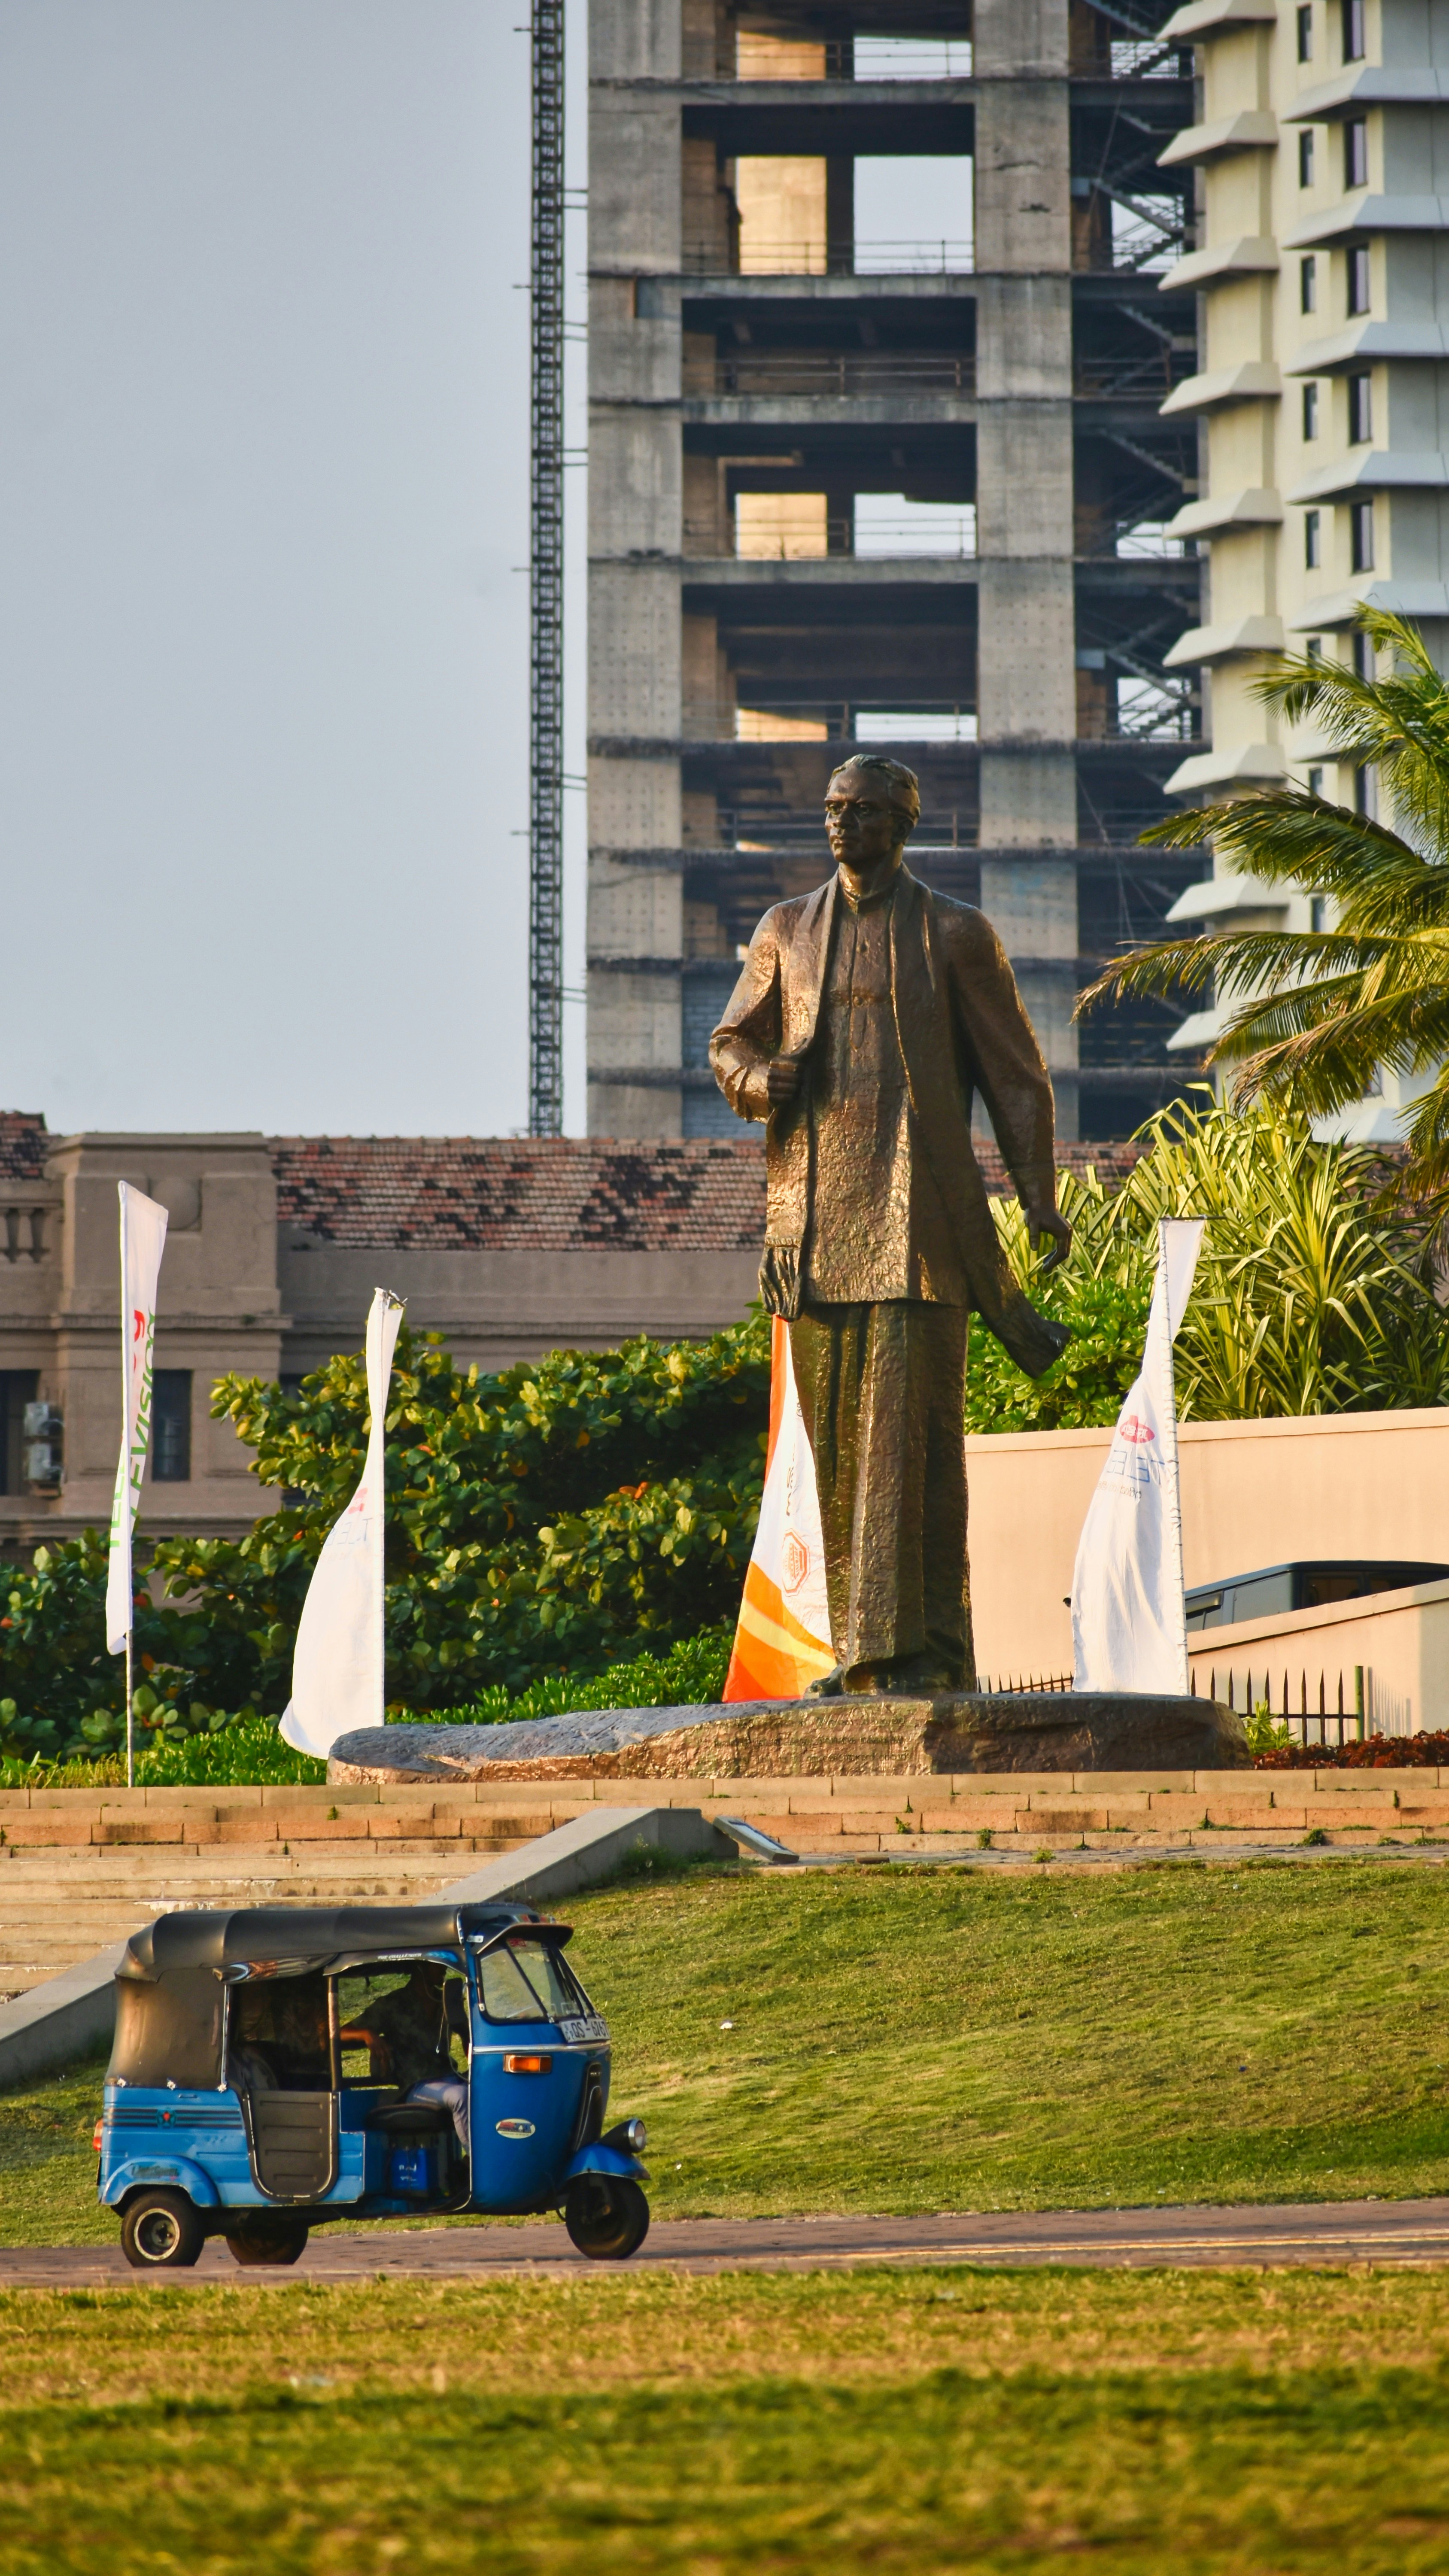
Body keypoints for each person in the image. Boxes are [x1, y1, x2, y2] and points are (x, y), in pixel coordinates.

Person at [709, 753, 1072, 1696]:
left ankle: (922, 1659)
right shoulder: (785, 931)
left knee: (910, 1447)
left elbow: (1017, 1078)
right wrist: (757, 1081)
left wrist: (1038, 1198)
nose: (843, 825)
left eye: (864, 811)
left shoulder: (956, 934)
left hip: (921, 1225)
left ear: (903, 823)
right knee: (835, 1451)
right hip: (817, 1227)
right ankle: (860, 1660)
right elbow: (729, 1041)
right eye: (833, 809)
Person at [340, 1960, 468, 2152]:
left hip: (450, 2076)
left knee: (490, 2090)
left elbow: (469, 2038)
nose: (444, 1969)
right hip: (416, 2084)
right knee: (460, 2096)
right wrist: (367, 2035)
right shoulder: (393, 2004)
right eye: (437, 1964)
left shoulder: (446, 2003)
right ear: (421, 1968)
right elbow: (339, 2033)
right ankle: (479, 2166)